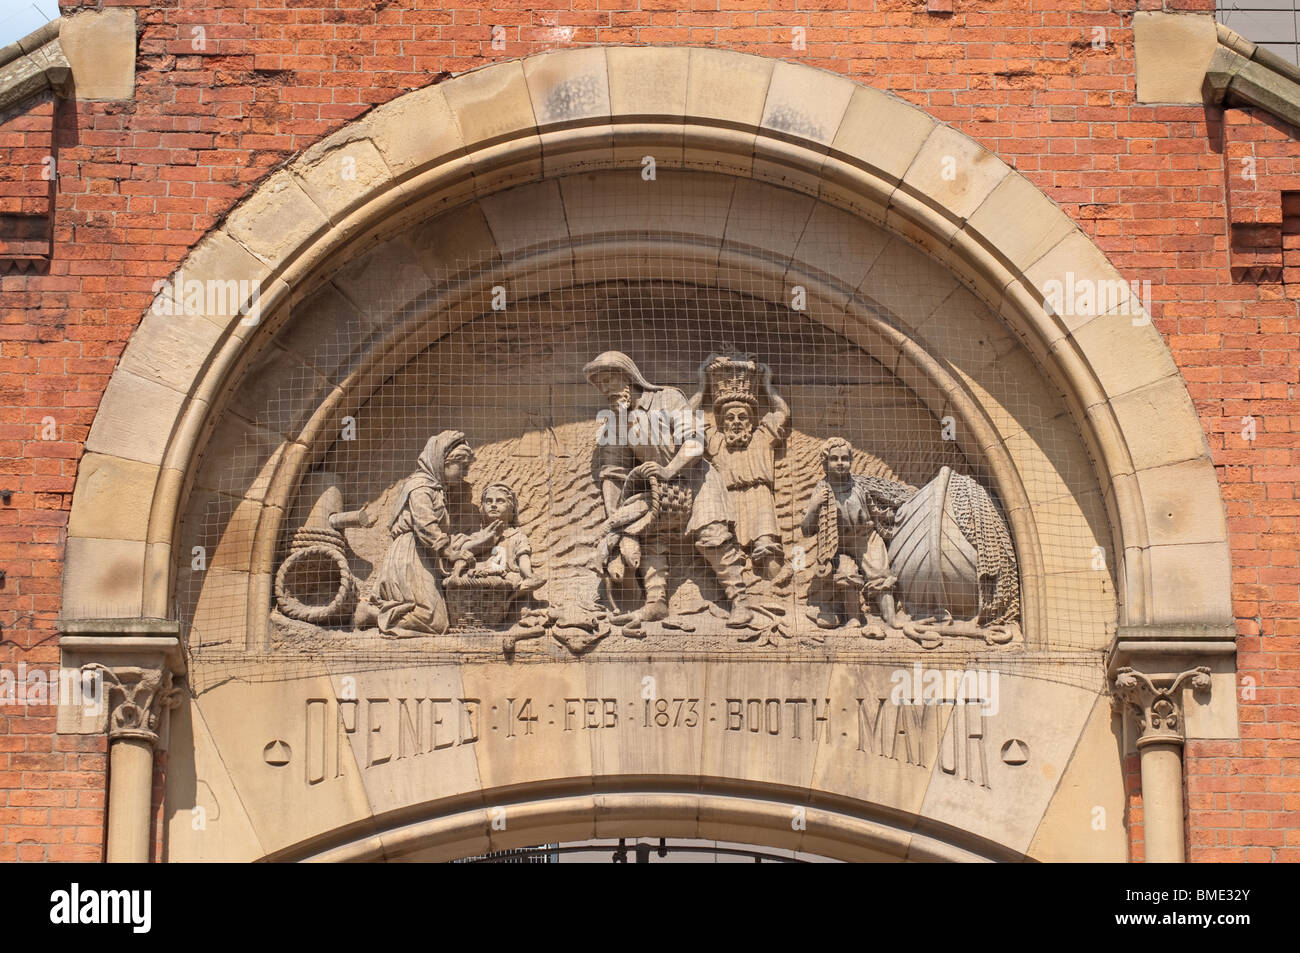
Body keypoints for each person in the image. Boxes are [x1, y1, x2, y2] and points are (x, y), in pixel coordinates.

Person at [585, 350, 753, 628]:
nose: (605, 388)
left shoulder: (668, 398)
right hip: (655, 487)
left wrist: (669, 470)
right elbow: (614, 472)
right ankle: (655, 603)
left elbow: (694, 442)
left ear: (628, 376)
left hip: (696, 478)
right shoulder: (613, 420)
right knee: (648, 535)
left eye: (608, 379)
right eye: (600, 384)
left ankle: (740, 602)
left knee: (712, 536)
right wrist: (615, 519)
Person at [364, 430, 474, 638]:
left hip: (423, 555)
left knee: (437, 620)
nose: (465, 473)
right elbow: (426, 526)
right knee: (433, 620)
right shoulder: (420, 486)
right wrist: (449, 552)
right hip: (410, 555)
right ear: (445, 461)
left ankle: (379, 614)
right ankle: (374, 615)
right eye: (462, 466)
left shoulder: (435, 489)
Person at [692, 355, 791, 583]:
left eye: (742, 416)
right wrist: (702, 385)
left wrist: (767, 385)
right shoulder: (716, 443)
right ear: (722, 422)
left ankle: (772, 593)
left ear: (751, 421)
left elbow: (782, 413)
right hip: (728, 499)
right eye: (730, 417)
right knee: (728, 553)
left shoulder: (762, 438)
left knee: (769, 555)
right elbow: (686, 415)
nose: (736, 421)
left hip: (760, 497)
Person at [799, 437, 910, 631]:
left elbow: (875, 511)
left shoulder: (859, 486)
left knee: (880, 573)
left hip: (866, 538)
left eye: (844, 458)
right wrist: (815, 505)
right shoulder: (821, 490)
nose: (840, 463)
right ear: (825, 463)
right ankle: (854, 618)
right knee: (847, 574)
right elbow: (807, 530)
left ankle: (891, 618)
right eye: (834, 459)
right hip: (837, 543)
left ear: (851, 461)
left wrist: (894, 517)